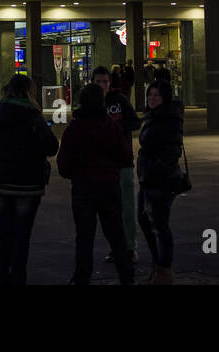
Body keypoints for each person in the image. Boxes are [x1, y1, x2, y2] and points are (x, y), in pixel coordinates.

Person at [0, 73, 58, 285]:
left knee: (3, 234)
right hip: (27, 184)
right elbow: (51, 147)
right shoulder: (33, 115)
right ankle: (18, 278)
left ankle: (1, 279)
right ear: (30, 92)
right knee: (21, 236)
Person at [58, 83, 134, 285]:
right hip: (109, 186)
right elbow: (126, 157)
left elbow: (63, 165)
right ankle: (127, 277)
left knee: (84, 237)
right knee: (117, 236)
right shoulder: (111, 126)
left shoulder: (74, 129)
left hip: (83, 188)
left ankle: (82, 278)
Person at [137, 79, 184, 285]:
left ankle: (165, 269)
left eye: (156, 95)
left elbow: (173, 150)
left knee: (159, 224)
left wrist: (157, 170)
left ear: (165, 97)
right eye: (150, 95)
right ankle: (158, 265)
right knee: (145, 220)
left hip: (161, 180)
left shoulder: (169, 118)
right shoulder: (152, 117)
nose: (152, 98)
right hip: (148, 178)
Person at [92, 65, 139, 266]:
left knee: (127, 207)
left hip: (122, 161)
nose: (103, 85)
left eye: (105, 81)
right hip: (102, 163)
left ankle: (129, 247)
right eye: (99, 82)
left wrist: (116, 127)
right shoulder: (91, 102)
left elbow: (135, 123)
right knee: (109, 210)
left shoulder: (119, 100)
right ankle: (116, 247)